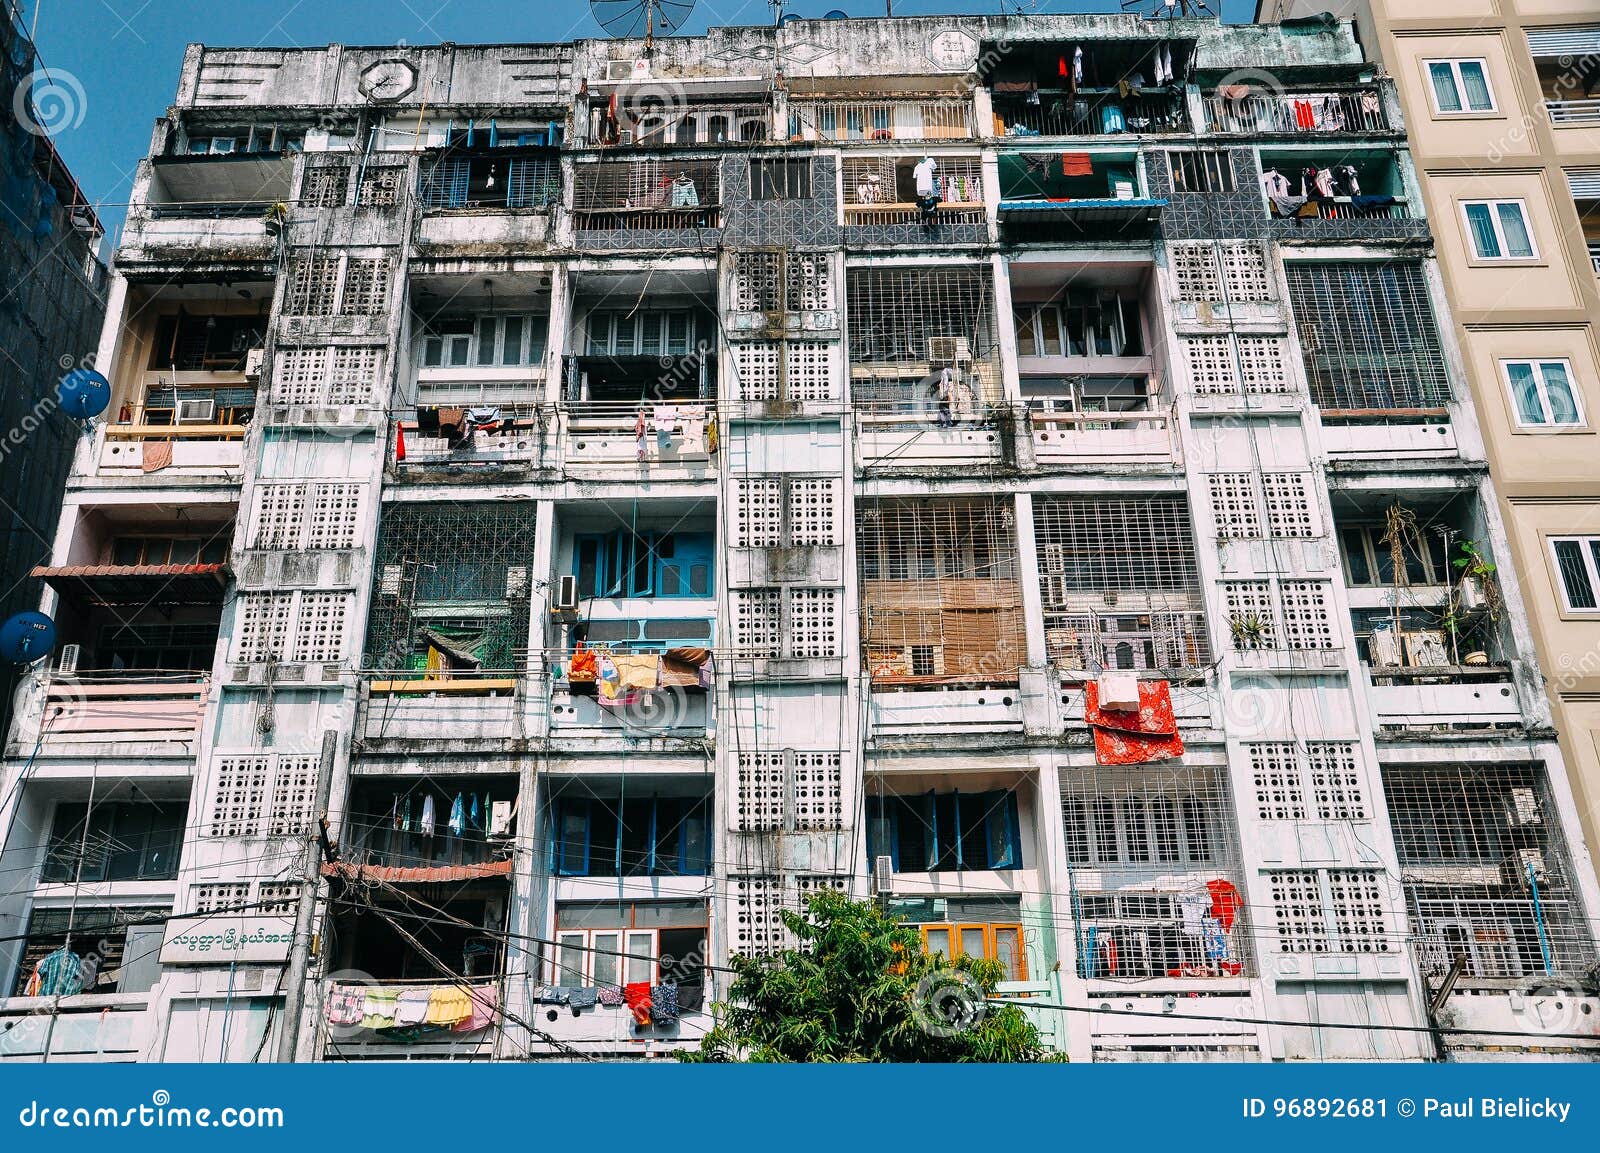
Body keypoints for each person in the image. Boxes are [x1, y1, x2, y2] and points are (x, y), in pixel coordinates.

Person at [913, 156, 939, 225]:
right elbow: (934, 167)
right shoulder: (930, 160)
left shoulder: (917, 166)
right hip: (928, 187)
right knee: (931, 207)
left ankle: (927, 221)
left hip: (920, 189)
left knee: (926, 207)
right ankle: (930, 221)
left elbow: (914, 176)